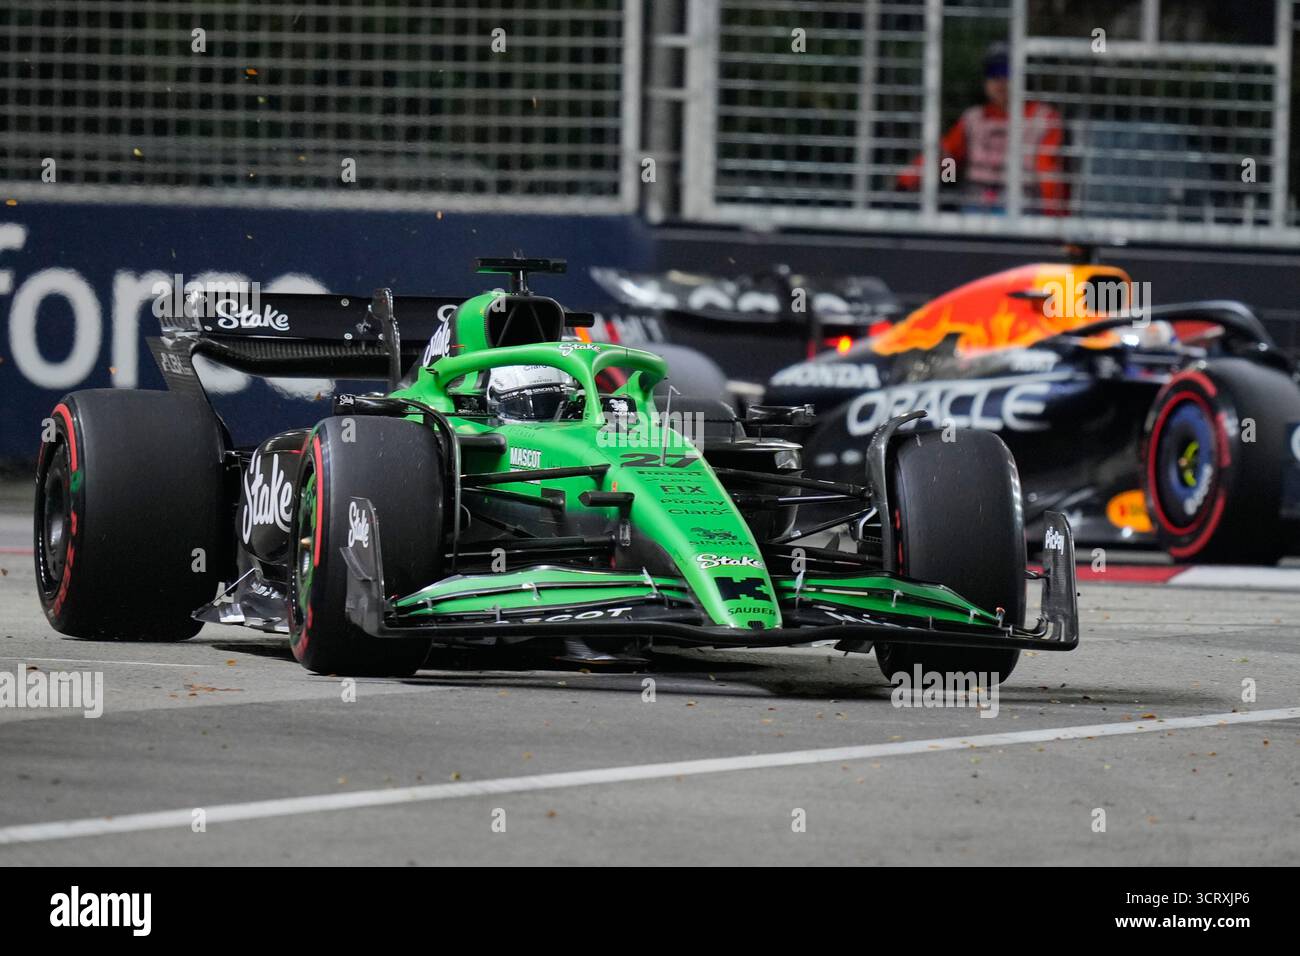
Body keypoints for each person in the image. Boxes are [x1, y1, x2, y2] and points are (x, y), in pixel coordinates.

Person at [898, 43, 1067, 215]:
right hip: (973, 207)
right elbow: (947, 154)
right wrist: (910, 181)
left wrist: (1053, 218)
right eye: (993, 73)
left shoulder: (1044, 118)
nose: (1000, 81)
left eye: (1007, 72)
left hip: (1022, 211)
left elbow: (1048, 170)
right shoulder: (973, 118)